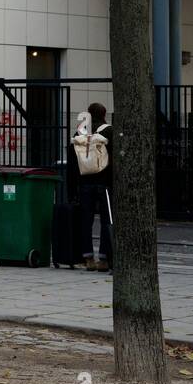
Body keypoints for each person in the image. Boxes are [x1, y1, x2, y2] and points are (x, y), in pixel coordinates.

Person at [76, 102, 114, 272]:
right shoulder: (109, 131)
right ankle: (104, 259)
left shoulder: (81, 132)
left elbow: (73, 161)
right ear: (104, 114)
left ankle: (88, 257)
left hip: (85, 183)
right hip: (105, 182)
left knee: (85, 221)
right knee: (107, 221)